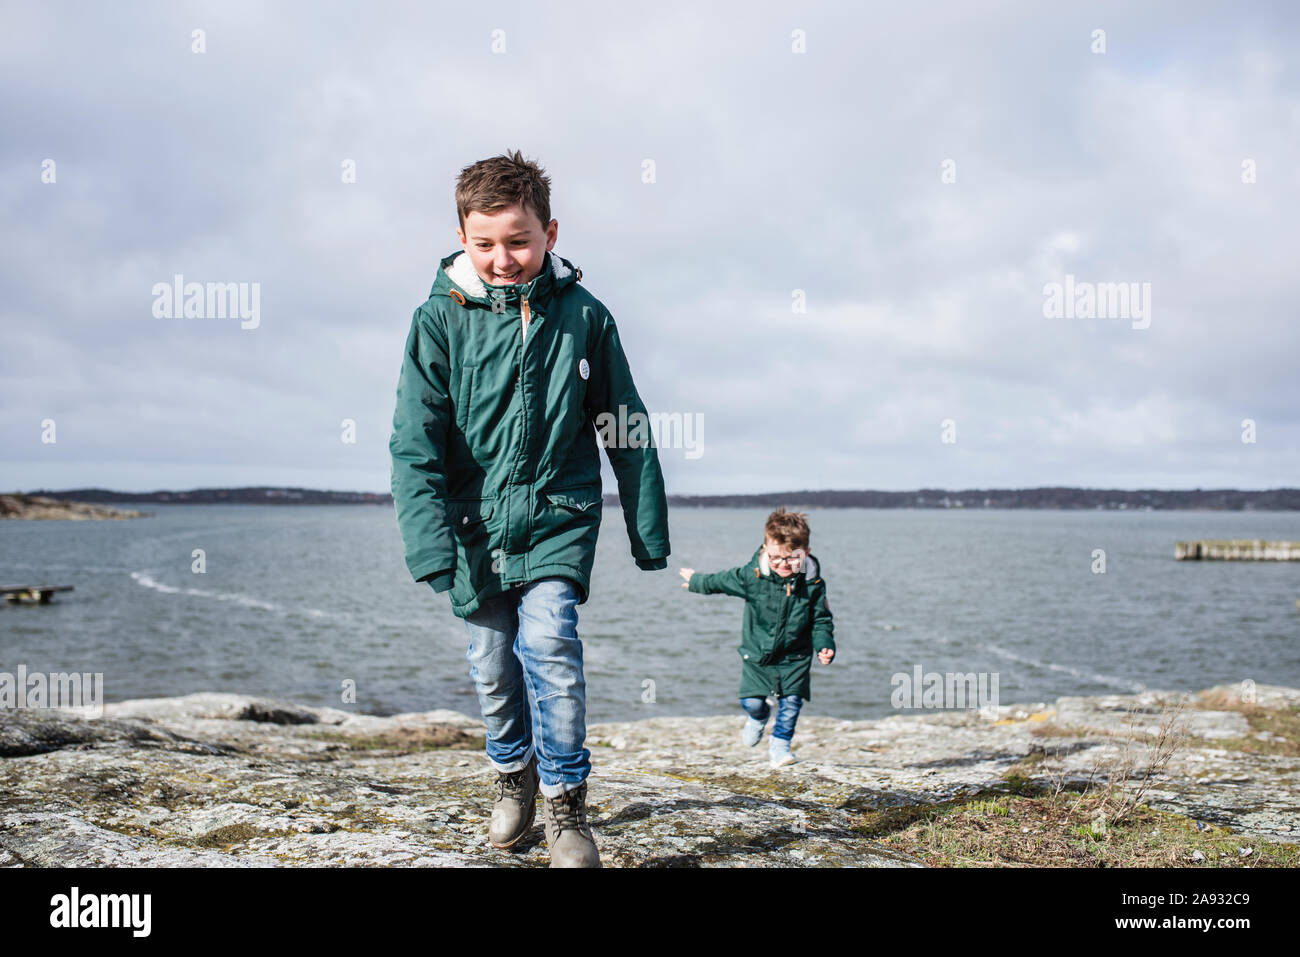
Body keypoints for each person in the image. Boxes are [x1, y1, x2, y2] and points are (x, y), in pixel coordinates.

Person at [389, 149, 670, 867]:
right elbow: (412, 443)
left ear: (549, 230)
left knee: (550, 647)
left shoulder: (585, 318)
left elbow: (624, 424)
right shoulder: (437, 322)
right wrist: (428, 543)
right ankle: (512, 776)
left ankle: (568, 808)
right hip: (472, 530)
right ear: (462, 237)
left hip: (558, 519)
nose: (503, 257)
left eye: (518, 240)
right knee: (490, 662)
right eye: (484, 243)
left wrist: (647, 527)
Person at [679, 508, 834, 768]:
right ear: (765, 548)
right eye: (775, 558)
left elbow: (821, 619)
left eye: (791, 559)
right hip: (757, 656)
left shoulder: (813, 584)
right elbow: (723, 580)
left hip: (795, 657)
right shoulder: (753, 576)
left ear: (805, 553)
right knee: (751, 702)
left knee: (792, 703)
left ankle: (780, 747)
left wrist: (825, 644)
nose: (783, 565)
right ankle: (759, 717)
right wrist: (697, 582)